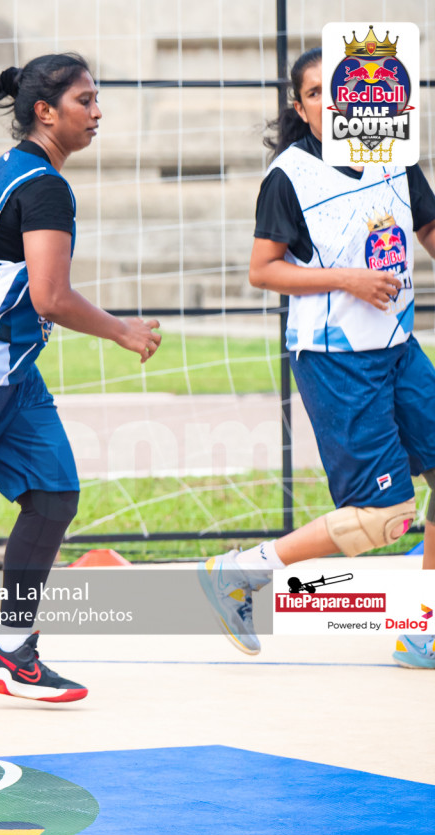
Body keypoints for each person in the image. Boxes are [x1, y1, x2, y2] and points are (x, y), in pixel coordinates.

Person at [0, 54, 162, 701]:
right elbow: (51, 295)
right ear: (45, 112)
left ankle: (10, 652)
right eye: (86, 99)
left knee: (53, 493)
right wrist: (122, 329)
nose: (98, 111)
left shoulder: (5, 171)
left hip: (11, 372)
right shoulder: (46, 187)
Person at [197, 46, 435, 668]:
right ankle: (242, 572)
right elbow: (262, 270)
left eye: (348, 90)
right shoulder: (291, 176)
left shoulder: (393, 155)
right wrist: (347, 279)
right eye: (317, 94)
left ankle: (423, 629)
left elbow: (430, 232)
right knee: (385, 518)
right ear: (300, 108)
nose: (336, 103)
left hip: (398, 347)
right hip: (335, 355)